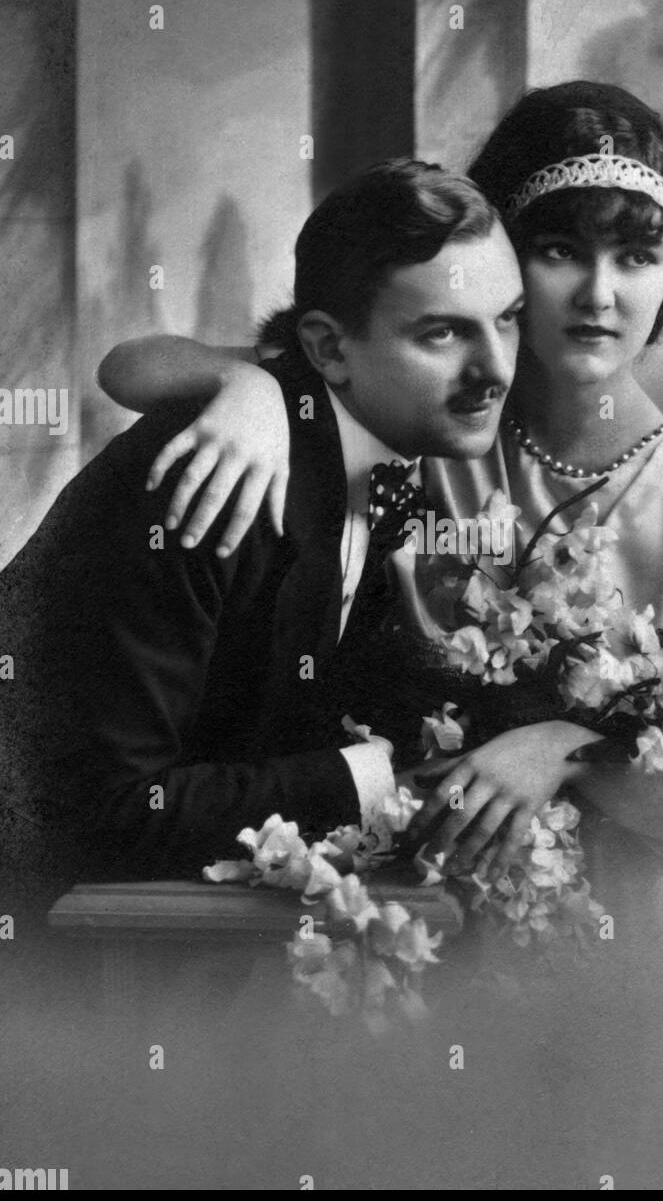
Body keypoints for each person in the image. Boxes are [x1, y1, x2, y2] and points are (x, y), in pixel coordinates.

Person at [97, 82, 663, 879]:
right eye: (559, 252)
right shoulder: (430, 405)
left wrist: (565, 750)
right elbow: (130, 368)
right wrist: (254, 390)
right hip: (348, 859)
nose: (599, 294)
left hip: (571, 893)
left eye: (637, 258)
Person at [0, 160, 524, 886]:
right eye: (442, 334)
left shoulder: (384, 454)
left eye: (508, 319)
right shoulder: (215, 472)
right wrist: (374, 778)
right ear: (331, 349)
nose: (496, 367)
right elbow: (101, 809)